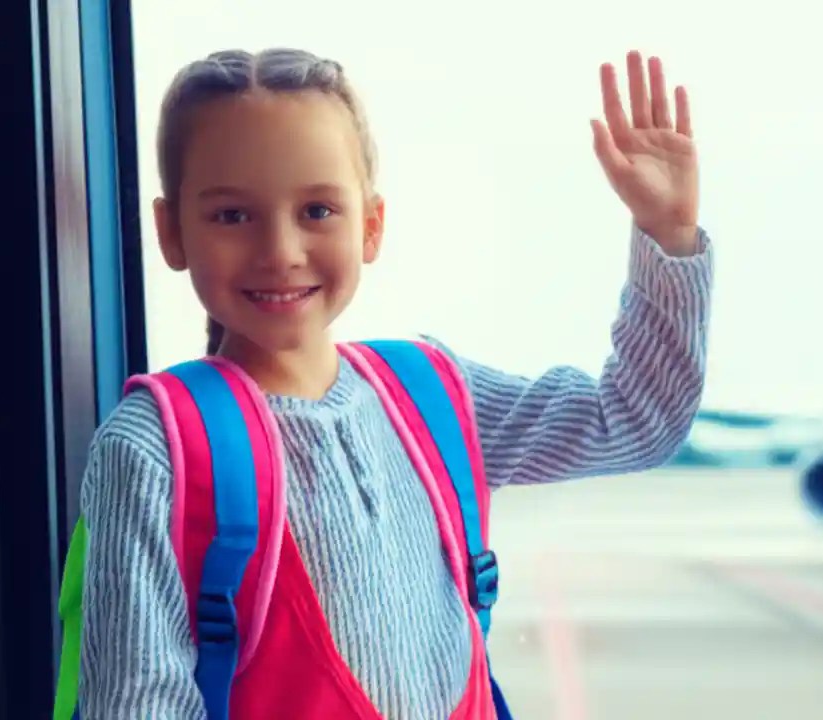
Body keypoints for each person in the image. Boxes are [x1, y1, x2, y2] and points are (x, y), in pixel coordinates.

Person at [77, 47, 712, 718]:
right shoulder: (155, 448)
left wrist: (667, 234)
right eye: (233, 216)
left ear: (372, 225)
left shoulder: (431, 397)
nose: (281, 252)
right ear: (171, 233)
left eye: (318, 211)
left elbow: (636, 421)